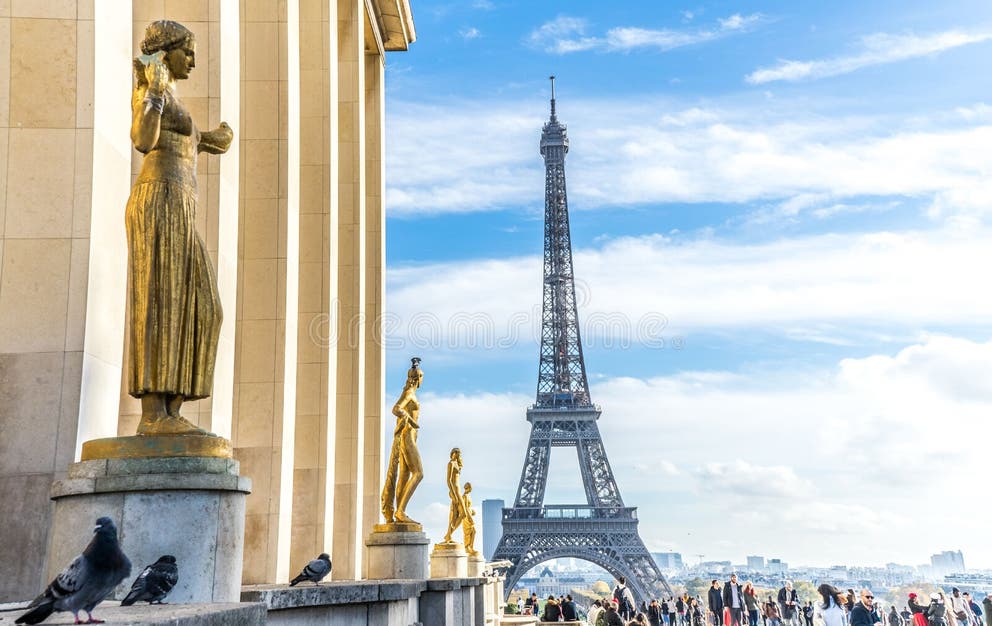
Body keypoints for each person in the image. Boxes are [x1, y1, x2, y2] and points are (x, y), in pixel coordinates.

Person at [127, 20, 233, 436]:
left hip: (180, 205)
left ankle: (172, 409)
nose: (192, 60)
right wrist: (153, 89)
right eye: (186, 51)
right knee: (160, 301)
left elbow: (180, 137)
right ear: (166, 51)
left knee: (204, 307)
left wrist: (209, 139)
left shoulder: (171, 95)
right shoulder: (150, 87)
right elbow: (143, 138)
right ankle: (154, 414)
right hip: (159, 199)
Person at [381, 357, 425, 524]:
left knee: (404, 475)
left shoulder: (410, 393)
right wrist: (411, 420)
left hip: (410, 436)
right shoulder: (409, 394)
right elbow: (396, 408)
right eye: (421, 377)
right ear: (418, 378)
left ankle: (400, 513)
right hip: (408, 437)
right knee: (419, 473)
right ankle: (400, 511)